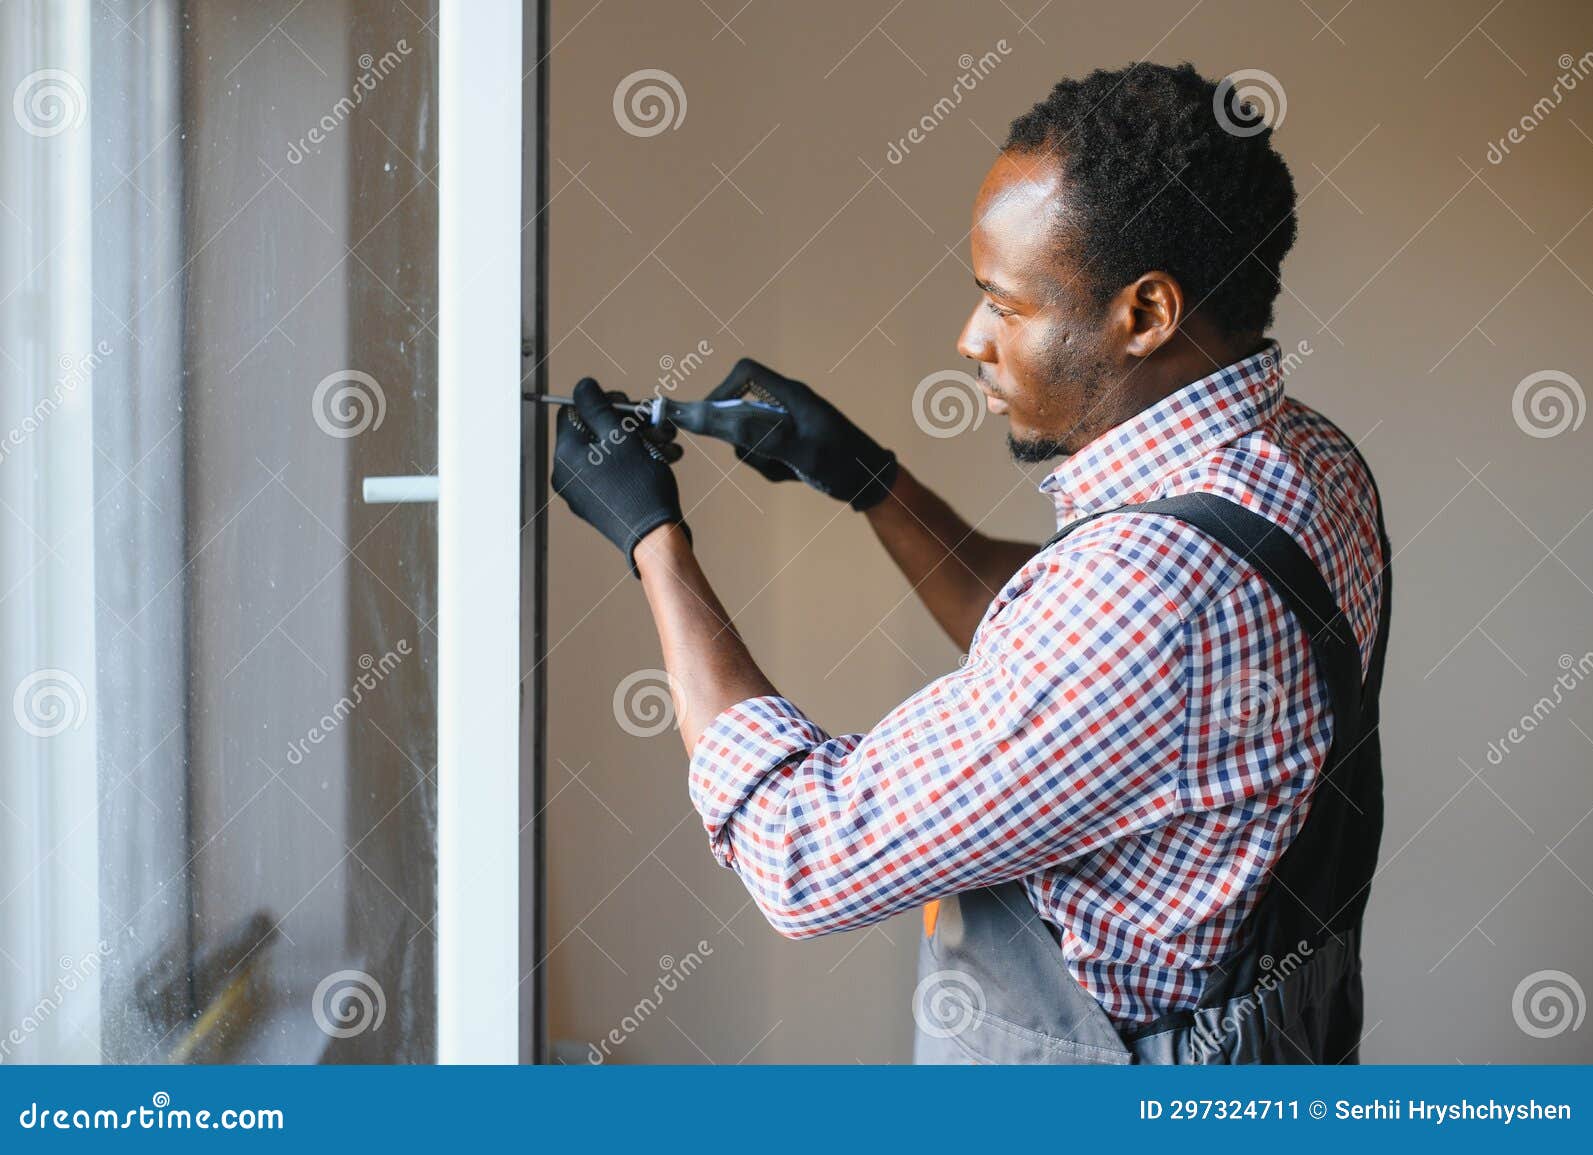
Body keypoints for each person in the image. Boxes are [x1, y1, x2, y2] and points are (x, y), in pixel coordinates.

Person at [552, 61, 1390, 1064]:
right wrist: (870, 480)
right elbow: (1057, 657)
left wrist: (652, 540)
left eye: (1007, 305)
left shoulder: (1146, 597)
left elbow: (802, 855)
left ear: (1144, 315)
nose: (969, 339)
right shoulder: (1303, 458)